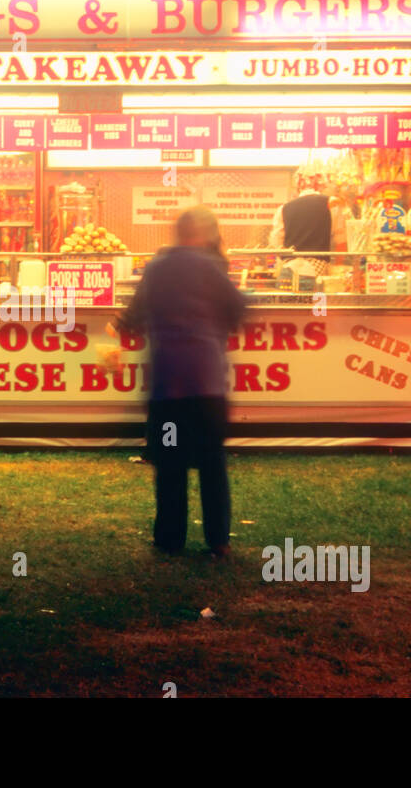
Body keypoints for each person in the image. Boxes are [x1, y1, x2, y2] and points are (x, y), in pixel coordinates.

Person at [116, 207, 246, 558]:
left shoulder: (156, 267)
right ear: (203, 235)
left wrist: (124, 326)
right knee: (211, 462)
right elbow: (238, 308)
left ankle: (170, 538)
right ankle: (218, 540)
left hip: (167, 386)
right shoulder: (210, 266)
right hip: (206, 385)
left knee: (170, 461)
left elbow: (133, 315)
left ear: (177, 233)